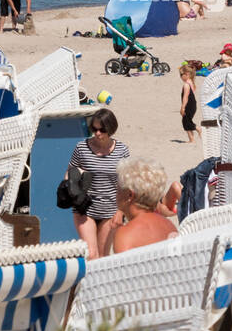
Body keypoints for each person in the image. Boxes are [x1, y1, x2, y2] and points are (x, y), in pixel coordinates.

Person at [66, 108, 130, 259]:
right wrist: (70, 187)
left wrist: (120, 212)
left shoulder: (122, 150)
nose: (98, 133)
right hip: (84, 209)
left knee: (103, 257)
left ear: (111, 129)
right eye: (94, 129)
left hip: (110, 210)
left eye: (102, 129)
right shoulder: (81, 148)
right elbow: (70, 172)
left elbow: (126, 183)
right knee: (91, 254)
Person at [109, 158, 178, 254]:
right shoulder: (170, 226)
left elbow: (124, 268)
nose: (116, 192)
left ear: (130, 195)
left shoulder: (125, 234)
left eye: (119, 188)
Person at [179, 65, 200, 142]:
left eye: (181, 75)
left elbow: (185, 97)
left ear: (187, 74)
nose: (180, 77)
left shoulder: (186, 85)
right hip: (193, 104)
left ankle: (197, 131)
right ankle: (192, 138)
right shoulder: (191, 82)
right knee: (187, 121)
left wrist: (183, 107)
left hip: (188, 105)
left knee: (186, 122)